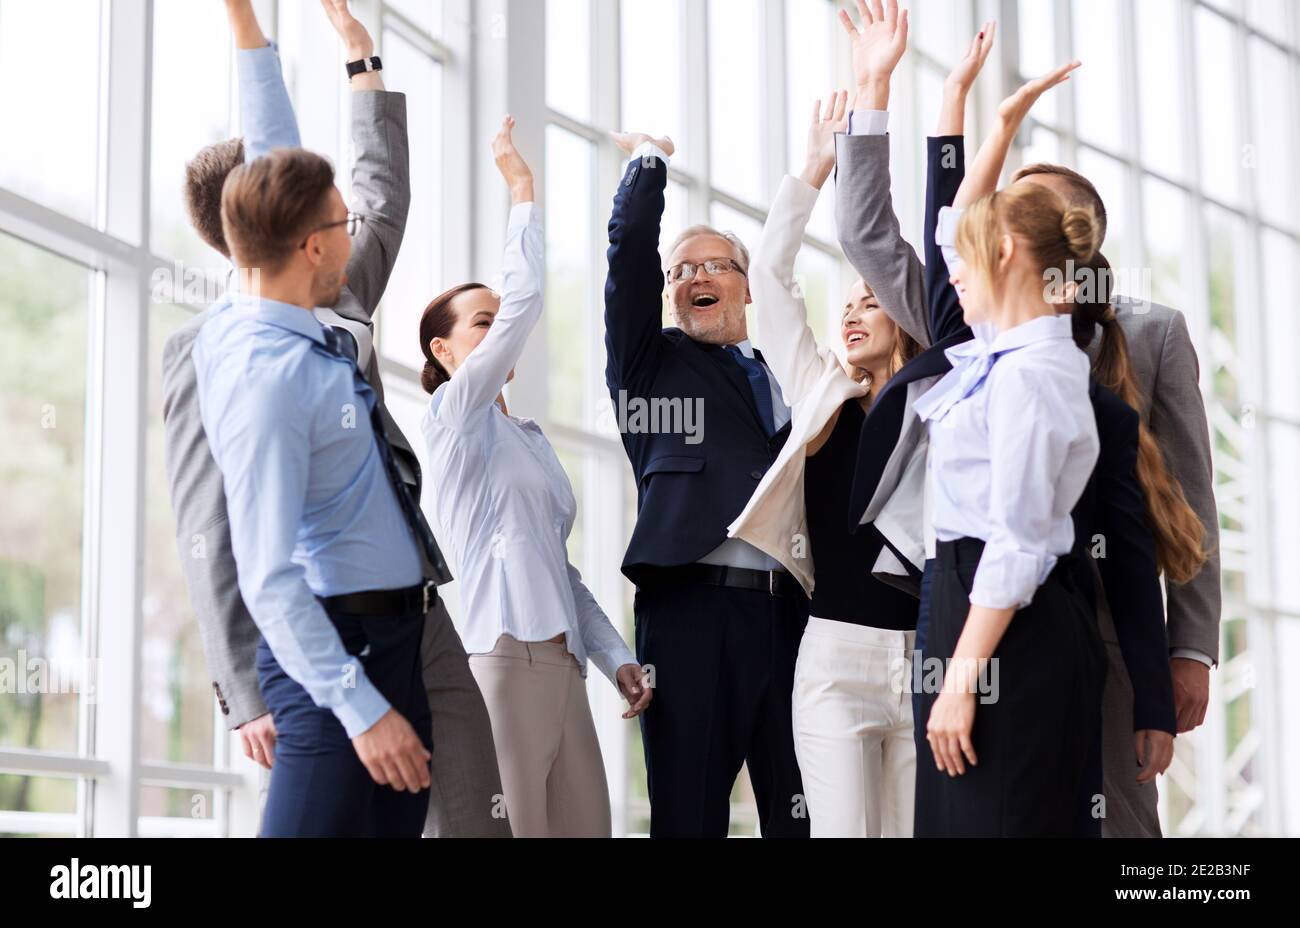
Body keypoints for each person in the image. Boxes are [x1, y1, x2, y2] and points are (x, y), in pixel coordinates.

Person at [162, 0, 509, 838]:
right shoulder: (227, 355)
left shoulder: (330, 293)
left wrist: (325, 50)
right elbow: (214, 530)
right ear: (298, 236)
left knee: (472, 817)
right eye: (337, 220)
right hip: (327, 632)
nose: (352, 226)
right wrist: (245, 690)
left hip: (414, 608)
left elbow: (304, 145)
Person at [417, 117, 648, 838]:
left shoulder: (530, 442)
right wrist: (523, 192)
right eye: (481, 324)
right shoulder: (452, 418)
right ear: (444, 350)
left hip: (565, 666)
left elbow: (563, 572)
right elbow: (525, 308)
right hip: (496, 661)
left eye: (495, 321)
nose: (498, 331)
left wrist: (616, 658)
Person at [726, 86, 921, 838]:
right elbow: (770, 278)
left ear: (903, 319)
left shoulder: (934, 402)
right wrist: (810, 171)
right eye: (845, 302)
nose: (850, 311)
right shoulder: (820, 392)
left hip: (923, 661)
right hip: (836, 657)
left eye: (870, 301)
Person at [604, 127, 809, 838]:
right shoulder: (648, 365)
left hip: (791, 617)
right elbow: (629, 261)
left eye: (714, 265)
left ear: (748, 287)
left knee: (801, 809)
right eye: (680, 271)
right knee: (688, 814)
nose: (694, 278)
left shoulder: (790, 373)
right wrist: (646, 168)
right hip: (689, 614)